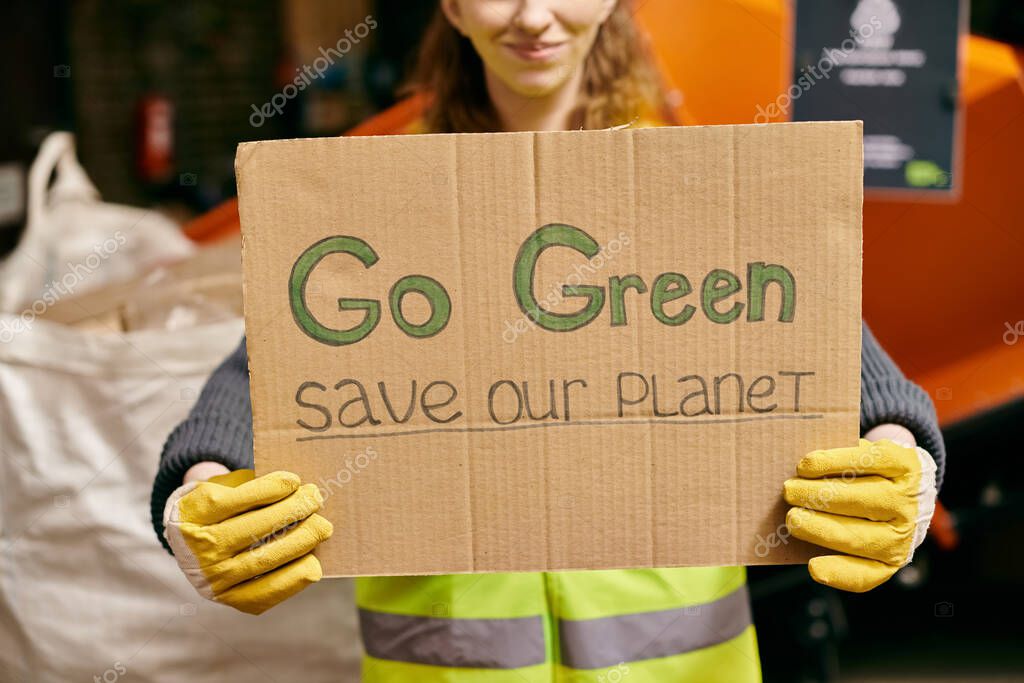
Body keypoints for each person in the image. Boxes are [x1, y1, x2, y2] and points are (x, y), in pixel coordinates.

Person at [151, 2, 944, 680]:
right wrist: (197, 479)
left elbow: (828, 337)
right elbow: (268, 361)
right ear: (453, 6)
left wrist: (903, 443)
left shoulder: (693, 180)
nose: (533, 16)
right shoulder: (381, 194)